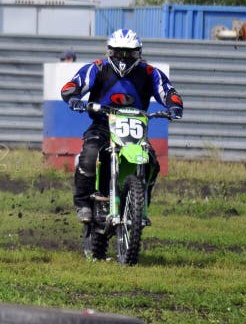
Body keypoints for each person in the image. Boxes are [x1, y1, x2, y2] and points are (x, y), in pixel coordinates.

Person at [60, 28, 183, 223]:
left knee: (152, 163)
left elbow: (168, 92)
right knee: (90, 154)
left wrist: (174, 106)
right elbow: (72, 85)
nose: (123, 58)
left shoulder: (150, 73)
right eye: (118, 53)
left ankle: (141, 203)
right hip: (102, 124)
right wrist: (73, 97)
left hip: (135, 129)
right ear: (110, 51)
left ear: (138, 53)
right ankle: (83, 203)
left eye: (129, 53)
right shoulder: (98, 68)